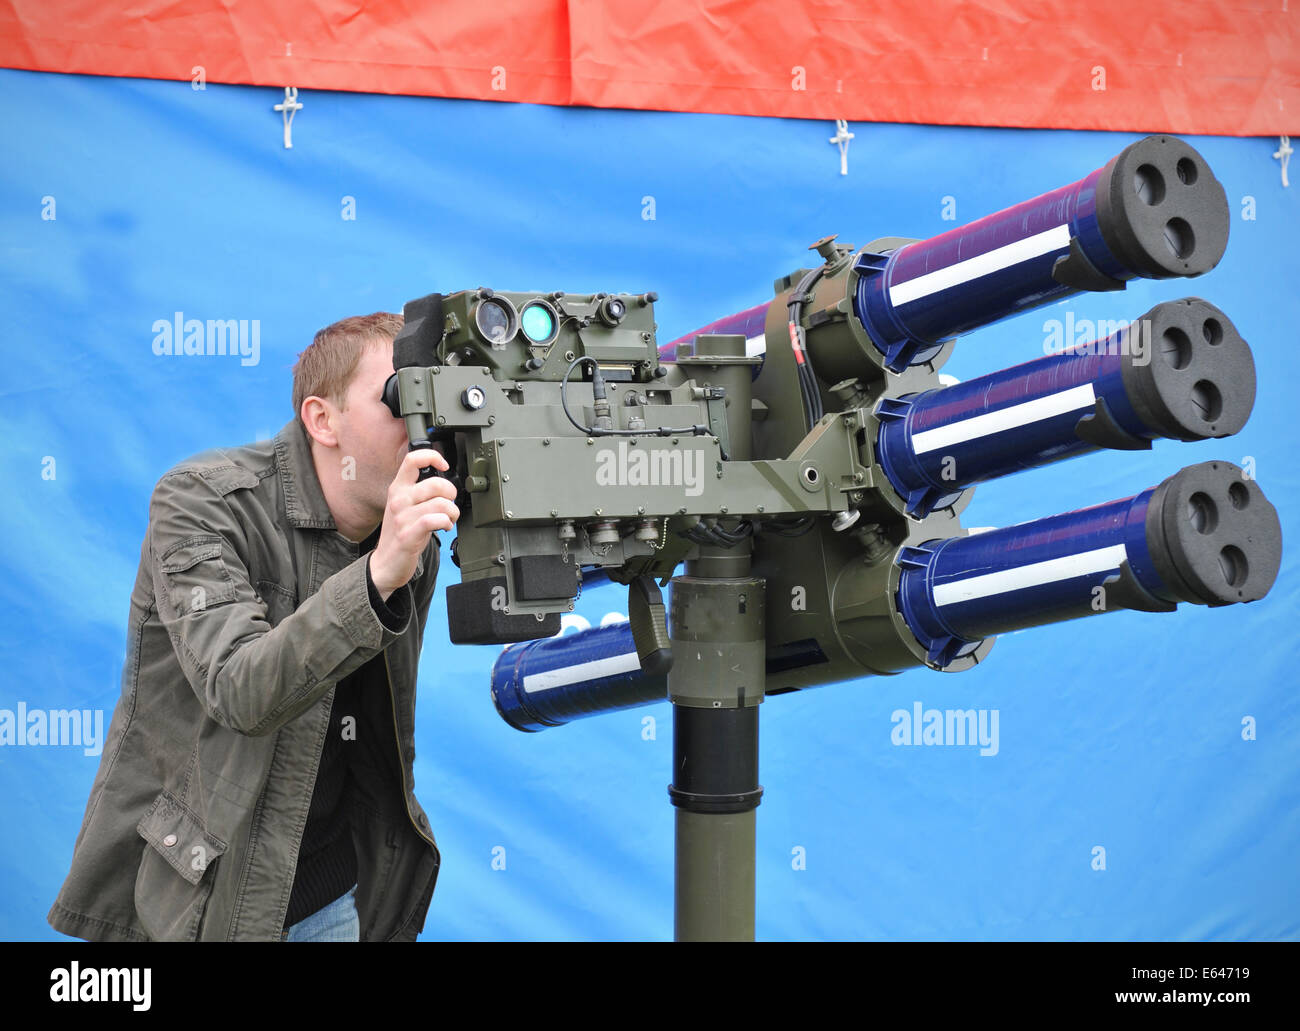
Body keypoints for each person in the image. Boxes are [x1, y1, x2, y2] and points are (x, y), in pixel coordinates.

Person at [48, 312, 459, 941]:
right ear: (323, 421)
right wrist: (376, 578)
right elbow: (239, 690)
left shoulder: (408, 534)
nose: (423, 425)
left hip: (331, 893)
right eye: (401, 399)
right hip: (202, 897)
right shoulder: (200, 503)